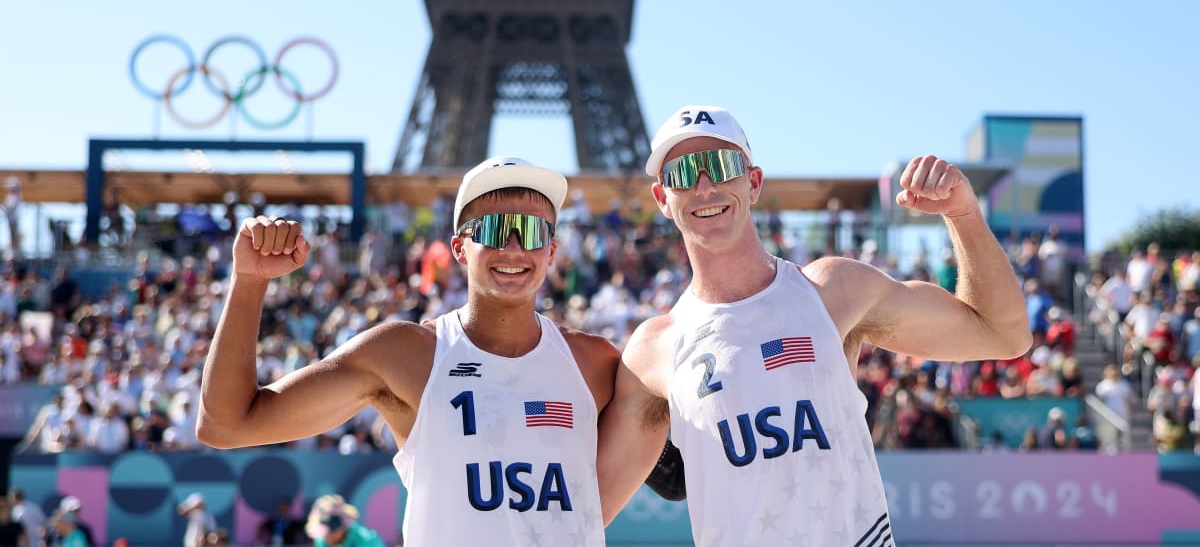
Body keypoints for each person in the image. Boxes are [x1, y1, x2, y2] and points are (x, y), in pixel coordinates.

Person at [598, 105, 1032, 544]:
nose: (704, 185)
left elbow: (1004, 334)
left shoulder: (834, 290)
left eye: (720, 165)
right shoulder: (653, 350)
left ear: (753, 182)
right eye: (684, 172)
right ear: (662, 199)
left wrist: (962, 215)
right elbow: (579, 515)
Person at [197, 157, 618, 546]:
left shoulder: (595, 362)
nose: (512, 246)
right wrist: (249, 283)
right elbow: (226, 426)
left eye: (531, 231)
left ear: (551, 250)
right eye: (492, 229)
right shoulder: (405, 355)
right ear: (458, 248)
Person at [304, 495, 383, 547]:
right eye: (325, 532)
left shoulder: (367, 541)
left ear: (344, 527)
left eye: (332, 531)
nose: (328, 536)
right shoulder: (321, 539)